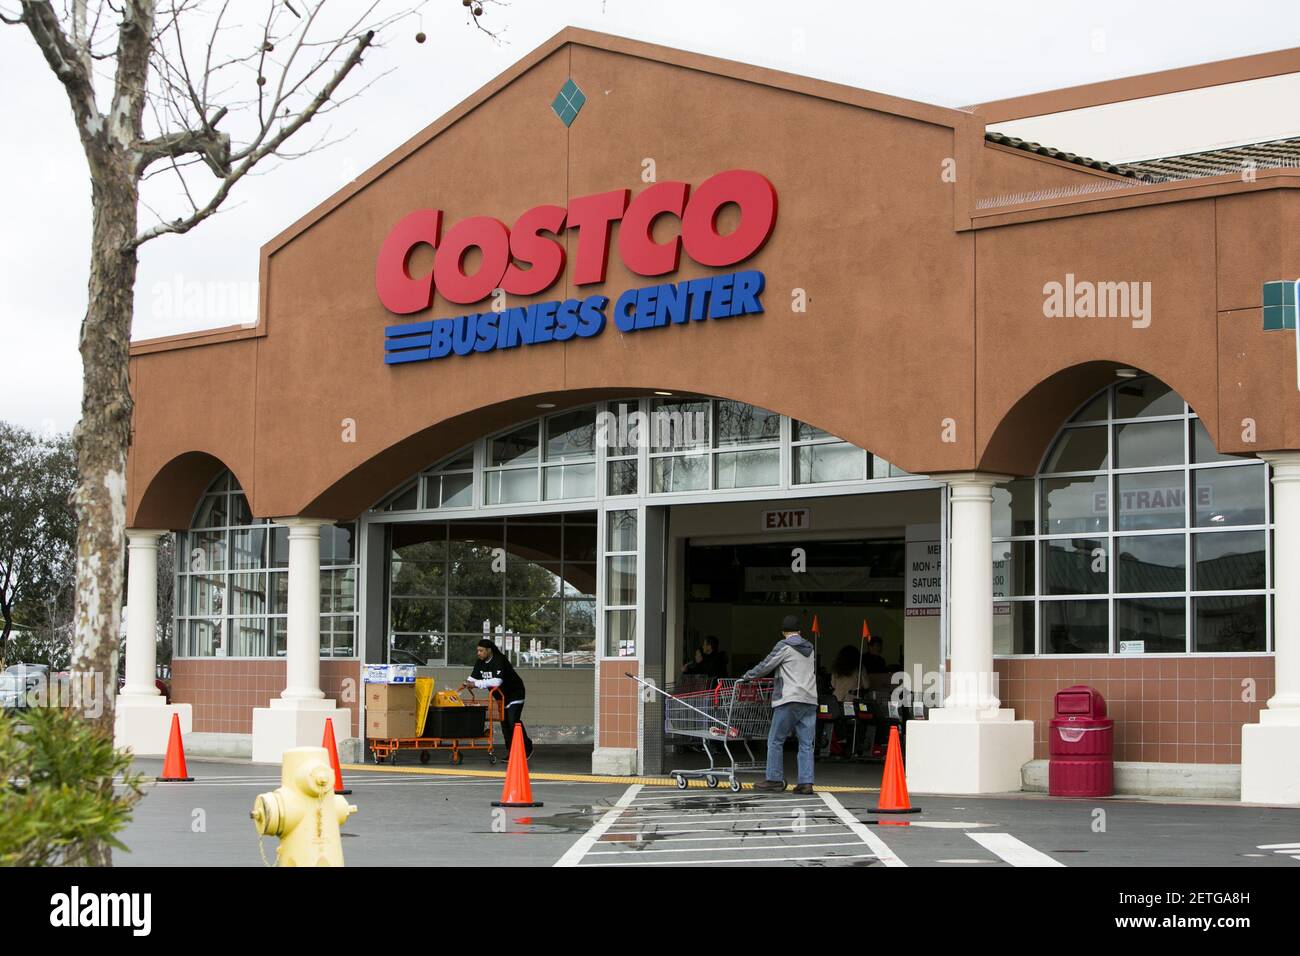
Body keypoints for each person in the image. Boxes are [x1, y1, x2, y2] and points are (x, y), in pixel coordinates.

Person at [740, 614, 818, 794]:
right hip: (809, 699)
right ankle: (806, 783)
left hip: (789, 699)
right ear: (799, 631)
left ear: (783, 632)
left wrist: (747, 676)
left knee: (775, 739)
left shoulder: (784, 646)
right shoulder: (810, 648)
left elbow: (766, 665)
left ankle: (774, 779)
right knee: (806, 743)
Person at [460, 639, 533, 759]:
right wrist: (465, 684)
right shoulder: (480, 662)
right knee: (504, 723)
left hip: (514, 693)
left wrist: (476, 684)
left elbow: (497, 681)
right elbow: (472, 678)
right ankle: (511, 752)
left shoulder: (499, 660)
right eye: (477, 650)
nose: (478, 653)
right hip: (501, 697)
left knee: (512, 720)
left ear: (489, 650)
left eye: (481, 650)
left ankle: (527, 747)